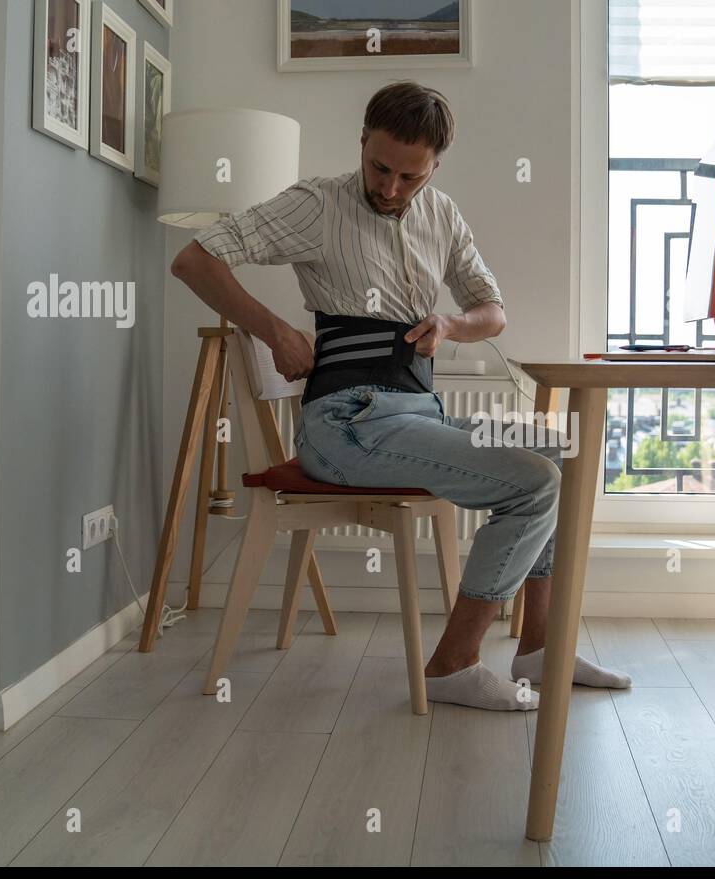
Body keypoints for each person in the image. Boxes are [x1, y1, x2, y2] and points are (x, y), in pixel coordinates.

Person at [171, 80, 631, 711]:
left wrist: (451, 325)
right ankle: (451, 665)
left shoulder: (442, 214)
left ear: (435, 167)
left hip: (419, 416)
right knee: (532, 482)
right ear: (361, 142)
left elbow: (491, 311)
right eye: (379, 167)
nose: (390, 188)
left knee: (561, 456)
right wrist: (273, 329)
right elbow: (195, 260)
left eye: (410, 177)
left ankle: (539, 648)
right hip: (347, 424)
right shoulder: (317, 204)